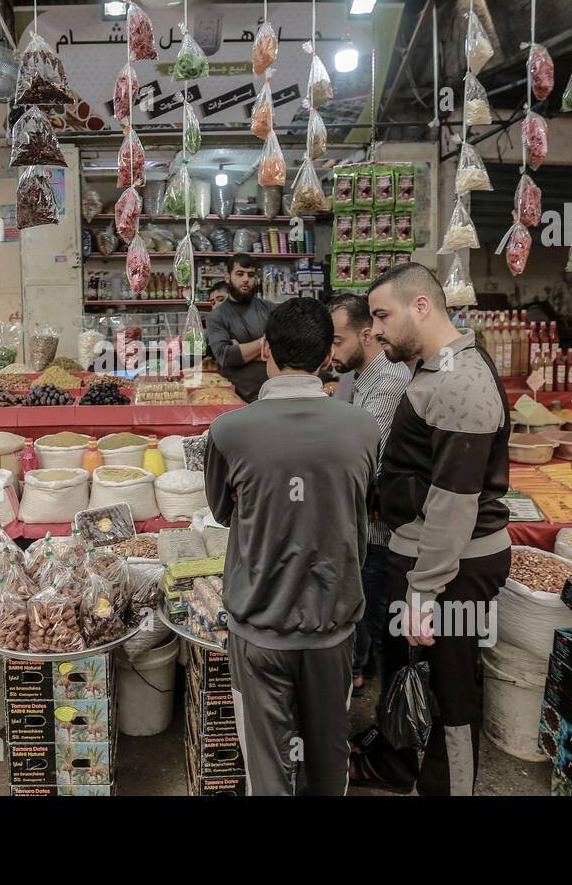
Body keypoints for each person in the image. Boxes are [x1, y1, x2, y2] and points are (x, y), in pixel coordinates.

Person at [204, 297, 381, 796]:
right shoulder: (362, 428)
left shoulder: (229, 431)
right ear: (328, 356)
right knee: (328, 762)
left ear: (265, 352)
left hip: (259, 628)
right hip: (333, 626)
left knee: (268, 767)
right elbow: (360, 505)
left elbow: (223, 511)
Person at [351, 262, 510, 797]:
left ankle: (449, 787)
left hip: (452, 569)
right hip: (421, 557)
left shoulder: (464, 380)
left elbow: (454, 502)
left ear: (421, 306)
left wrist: (424, 589)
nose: (374, 330)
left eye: (381, 316)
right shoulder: (433, 367)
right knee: (406, 670)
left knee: (452, 692)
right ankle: (398, 767)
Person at [328, 293, 413, 692]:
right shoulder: (355, 376)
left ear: (365, 336)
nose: (331, 351)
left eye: (337, 340)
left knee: (366, 590)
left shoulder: (389, 381)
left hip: (376, 522)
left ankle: (359, 670)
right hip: (359, 516)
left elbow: (365, 459)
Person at [206, 253, 276, 402]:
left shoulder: (270, 309)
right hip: (236, 399)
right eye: (240, 274)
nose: (246, 279)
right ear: (227, 277)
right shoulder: (216, 316)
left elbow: (285, 351)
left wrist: (243, 350)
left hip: (273, 394)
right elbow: (226, 356)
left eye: (250, 275)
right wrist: (268, 341)